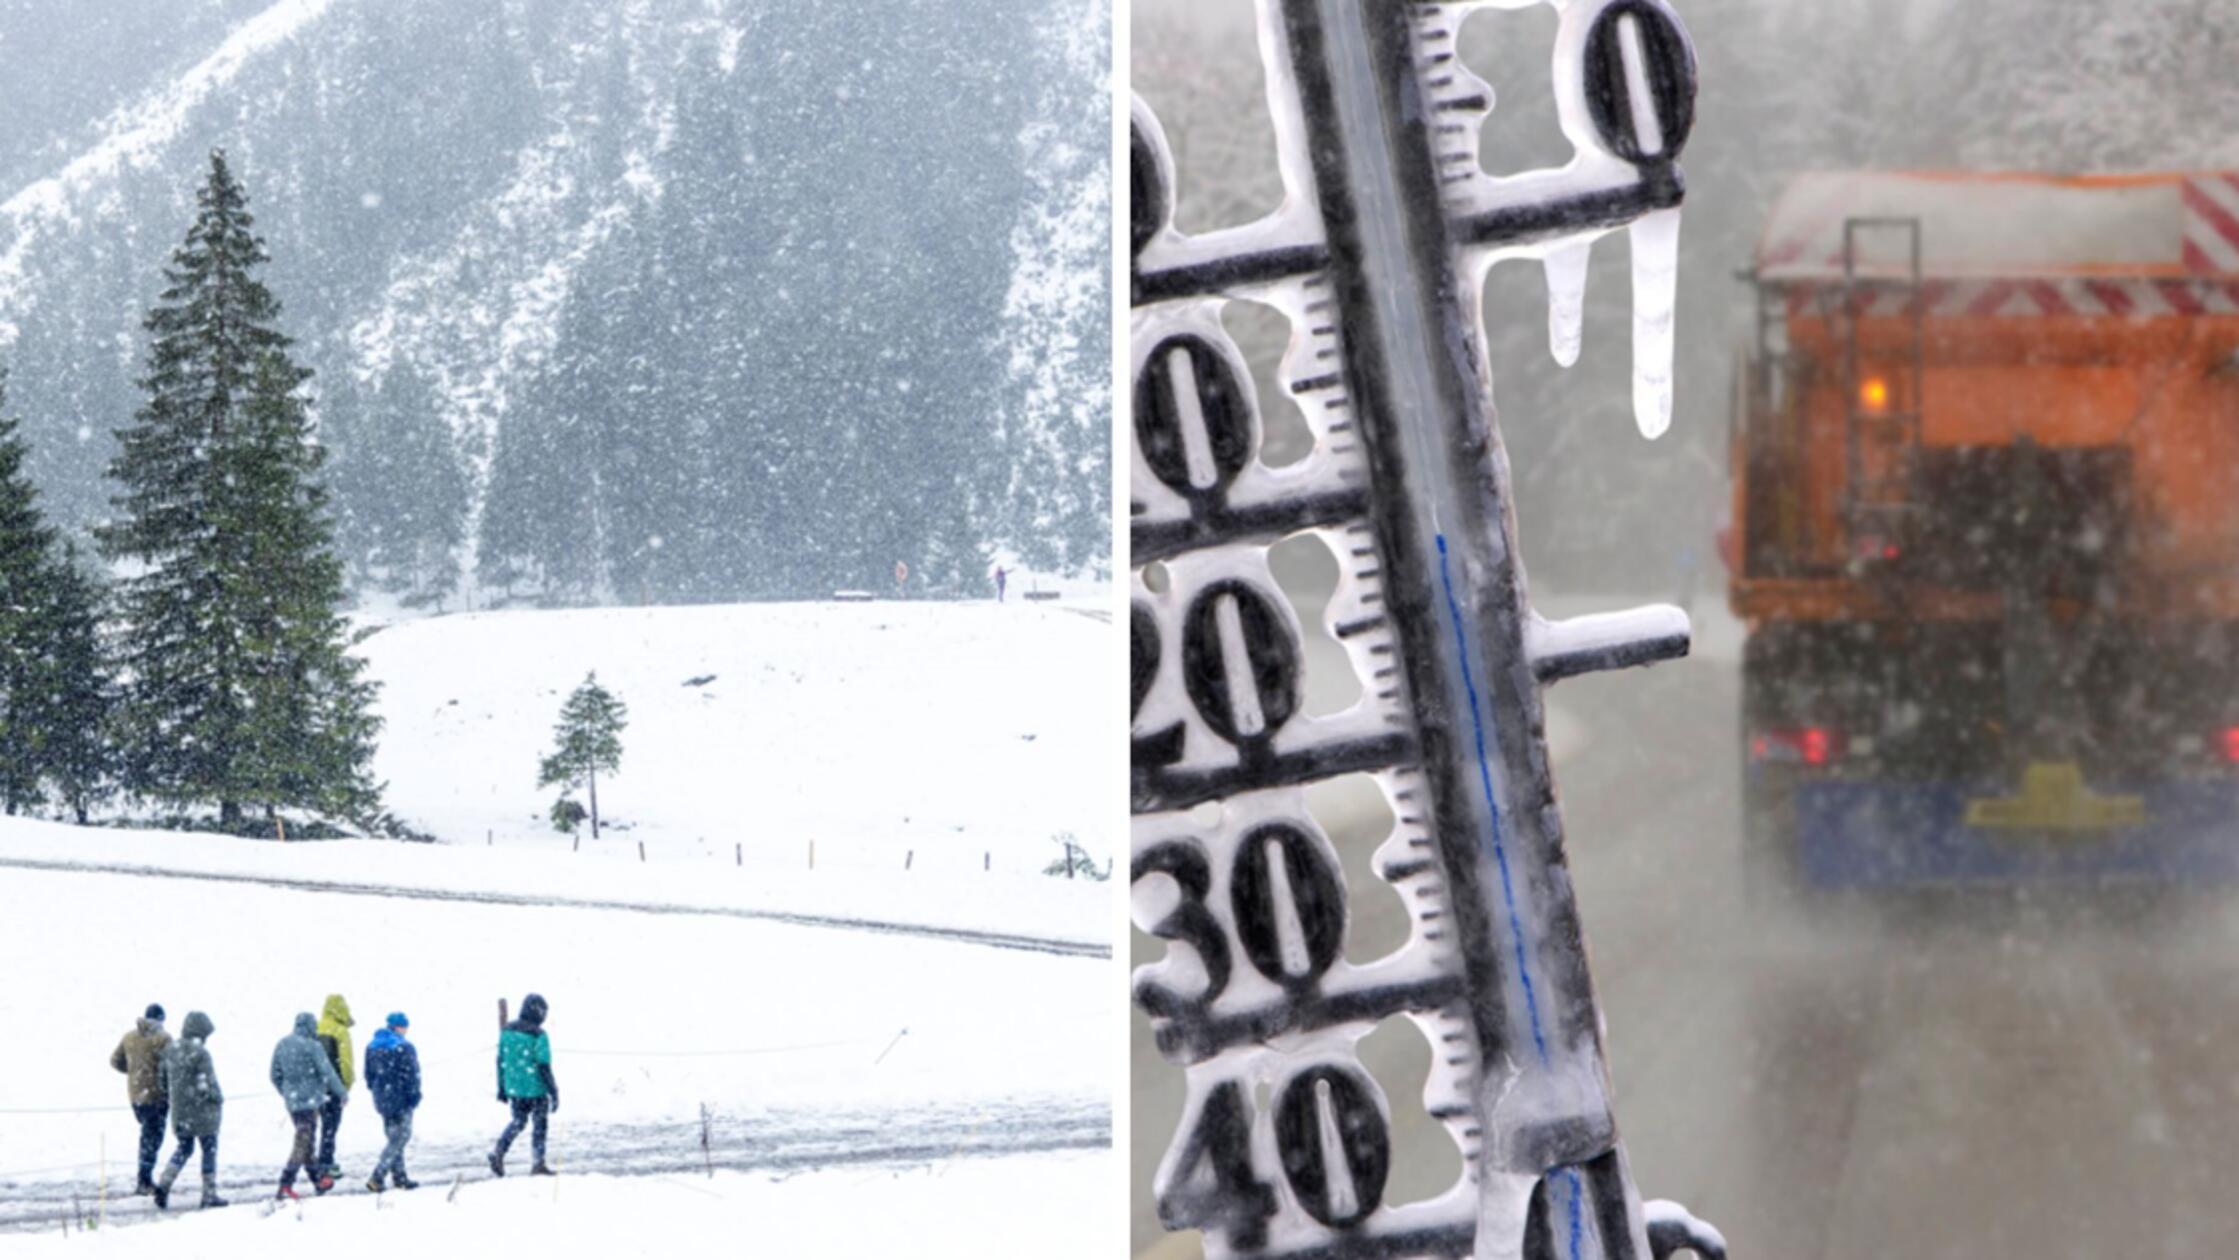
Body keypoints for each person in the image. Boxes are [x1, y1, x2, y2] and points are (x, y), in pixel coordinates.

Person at [152, 1011, 225, 1210]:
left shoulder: (170, 1050)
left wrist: (176, 1097)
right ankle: (209, 1194)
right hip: (203, 1112)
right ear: (200, 1032)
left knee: (184, 1148)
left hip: (181, 1112)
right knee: (209, 1149)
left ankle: (164, 1185)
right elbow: (207, 1083)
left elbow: (162, 1082)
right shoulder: (200, 1053)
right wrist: (218, 1098)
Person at [269, 1012, 346, 1198]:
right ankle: (286, 1182)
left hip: (293, 1104)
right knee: (303, 1143)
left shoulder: (282, 1044)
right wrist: (341, 1092)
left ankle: (317, 1179)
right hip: (310, 1102)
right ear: (311, 1026)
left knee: (306, 1141)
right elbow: (327, 1072)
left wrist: (287, 1093)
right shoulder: (313, 1046)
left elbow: (274, 1075)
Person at [488, 993, 557, 1177]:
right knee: (540, 1124)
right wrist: (553, 1091)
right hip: (536, 1088)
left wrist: (502, 1087)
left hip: (515, 1087)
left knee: (518, 1121)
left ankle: (498, 1151)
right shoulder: (539, 1035)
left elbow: (500, 1061)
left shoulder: (507, 1031)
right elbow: (544, 1065)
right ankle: (538, 1163)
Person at [110, 1003, 170, 1195]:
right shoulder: (163, 1039)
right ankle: (144, 1181)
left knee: (147, 1137)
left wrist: (134, 1072)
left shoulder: (129, 1037)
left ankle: (144, 1178)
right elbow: (172, 1067)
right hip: (157, 1096)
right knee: (152, 1139)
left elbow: (114, 1061)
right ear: (161, 1019)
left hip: (136, 1096)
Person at [363, 1012, 421, 1192]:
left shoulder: (372, 1046)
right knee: (401, 1136)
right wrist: (414, 1095)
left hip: (382, 1098)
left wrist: (378, 1090)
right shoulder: (404, 1047)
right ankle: (377, 1176)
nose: (406, 1030)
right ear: (398, 1027)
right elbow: (412, 1075)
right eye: (404, 1027)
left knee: (393, 1137)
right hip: (401, 1097)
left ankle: (400, 1177)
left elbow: (368, 1075)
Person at [313, 994, 356, 1179]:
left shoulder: (315, 1027)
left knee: (313, 1126)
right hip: (333, 1086)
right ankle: (326, 1162)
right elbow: (345, 1063)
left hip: (314, 1087)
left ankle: (316, 1161)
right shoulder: (340, 1031)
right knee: (330, 1126)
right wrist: (346, 1086)